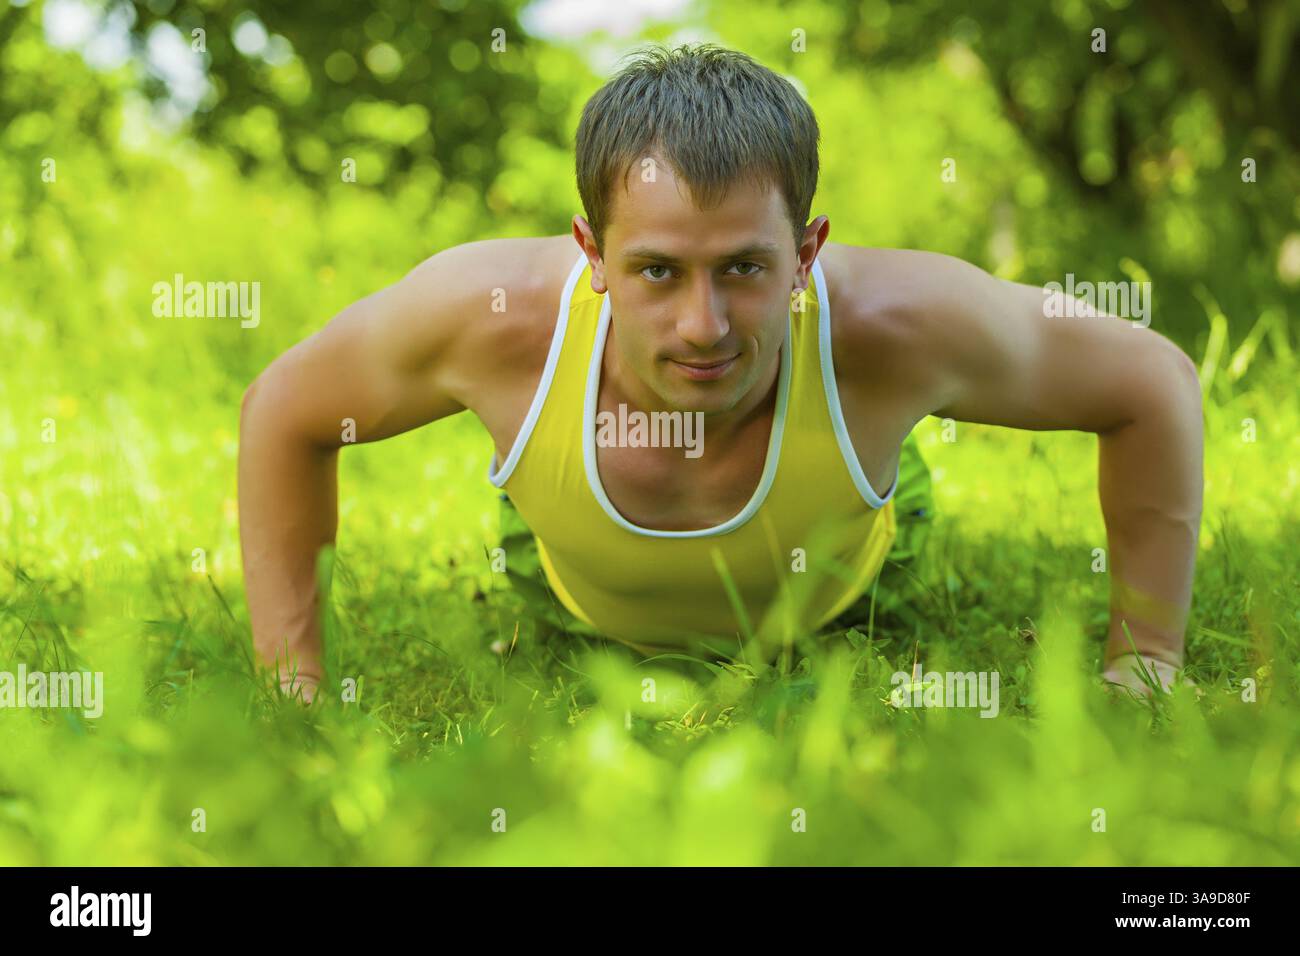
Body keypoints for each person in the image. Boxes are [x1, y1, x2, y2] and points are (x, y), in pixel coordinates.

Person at [238, 44, 1203, 704]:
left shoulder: (902, 325)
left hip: (848, 584)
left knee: (875, 491)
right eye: (656, 271)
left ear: (809, 250)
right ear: (592, 252)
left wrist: (1146, 664)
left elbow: (1151, 382)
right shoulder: (487, 320)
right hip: (571, 587)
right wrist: (296, 688)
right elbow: (283, 410)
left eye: (744, 268)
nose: (703, 327)